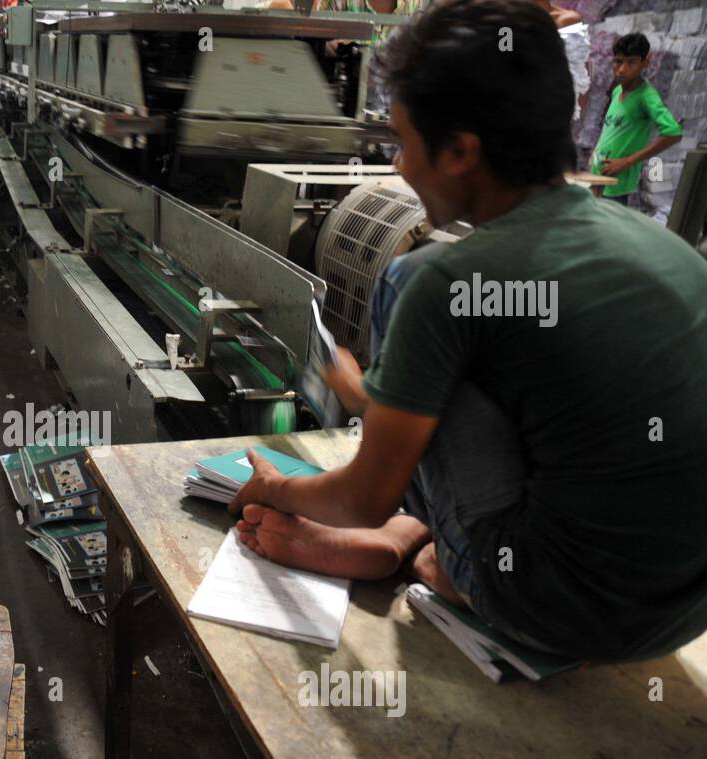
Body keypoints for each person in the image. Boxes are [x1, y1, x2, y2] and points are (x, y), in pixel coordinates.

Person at [230, 0, 707, 663]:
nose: (397, 166)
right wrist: (378, 394)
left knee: (406, 284)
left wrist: (274, 486)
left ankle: (444, 561)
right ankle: (406, 536)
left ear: (460, 151)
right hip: (682, 614)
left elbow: (365, 495)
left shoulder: (445, 283)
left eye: (402, 142)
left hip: (553, 611)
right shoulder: (670, 252)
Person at [589, 32, 682, 206]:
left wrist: (626, 162)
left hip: (617, 181)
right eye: (618, 61)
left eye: (631, 62)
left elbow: (673, 133)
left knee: (612, 230)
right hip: (599, 174)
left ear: (644, 63)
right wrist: (596, 150)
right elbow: (612, 128)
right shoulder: (618, 91)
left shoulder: (646, 96)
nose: (622, 69)